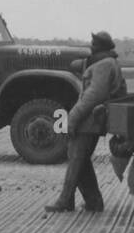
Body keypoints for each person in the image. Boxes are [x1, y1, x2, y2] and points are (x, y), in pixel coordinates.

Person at [46, 31, 128, 214]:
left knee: (75, 157)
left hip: (91, 118)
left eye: (93, 44)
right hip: (92, 117)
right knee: (81, 159)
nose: (91, 47)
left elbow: (93, 96)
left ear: (99, 47)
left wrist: (72, 118)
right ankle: (93, 202)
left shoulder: (104, 65)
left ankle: (65, 201)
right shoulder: (105, 62)